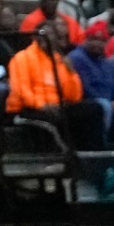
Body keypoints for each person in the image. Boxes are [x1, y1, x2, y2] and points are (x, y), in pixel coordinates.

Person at [8, 16, 102, 150]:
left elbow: (74, 96)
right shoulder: (22, 58)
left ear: (56, 39)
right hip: (29, 108)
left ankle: (90, 159)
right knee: (54, 117)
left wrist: (72, 73)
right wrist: (42, 105)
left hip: (57, 106)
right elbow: (21, 91)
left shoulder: (59, 60)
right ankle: (57, 159)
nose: (45, 37)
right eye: (42, 33)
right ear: (35, 37)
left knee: (94, 109)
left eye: (50, 34)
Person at [68, 19, 114, 146]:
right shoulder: (77, 58)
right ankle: (103, 147)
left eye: (102, 41)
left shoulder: (108, 63)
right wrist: (110, 103)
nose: (98, 44)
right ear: (86, 40)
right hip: (85, 103)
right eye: (94, 39)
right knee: (103, 105)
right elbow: (84, 87)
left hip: (106, 102)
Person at [21, 0, 85, 46]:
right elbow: (24, 44)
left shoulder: (68, 21)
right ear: (41, 0)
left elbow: (81, 42)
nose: (49, 2)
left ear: (57, 0)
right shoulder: (30, 21)